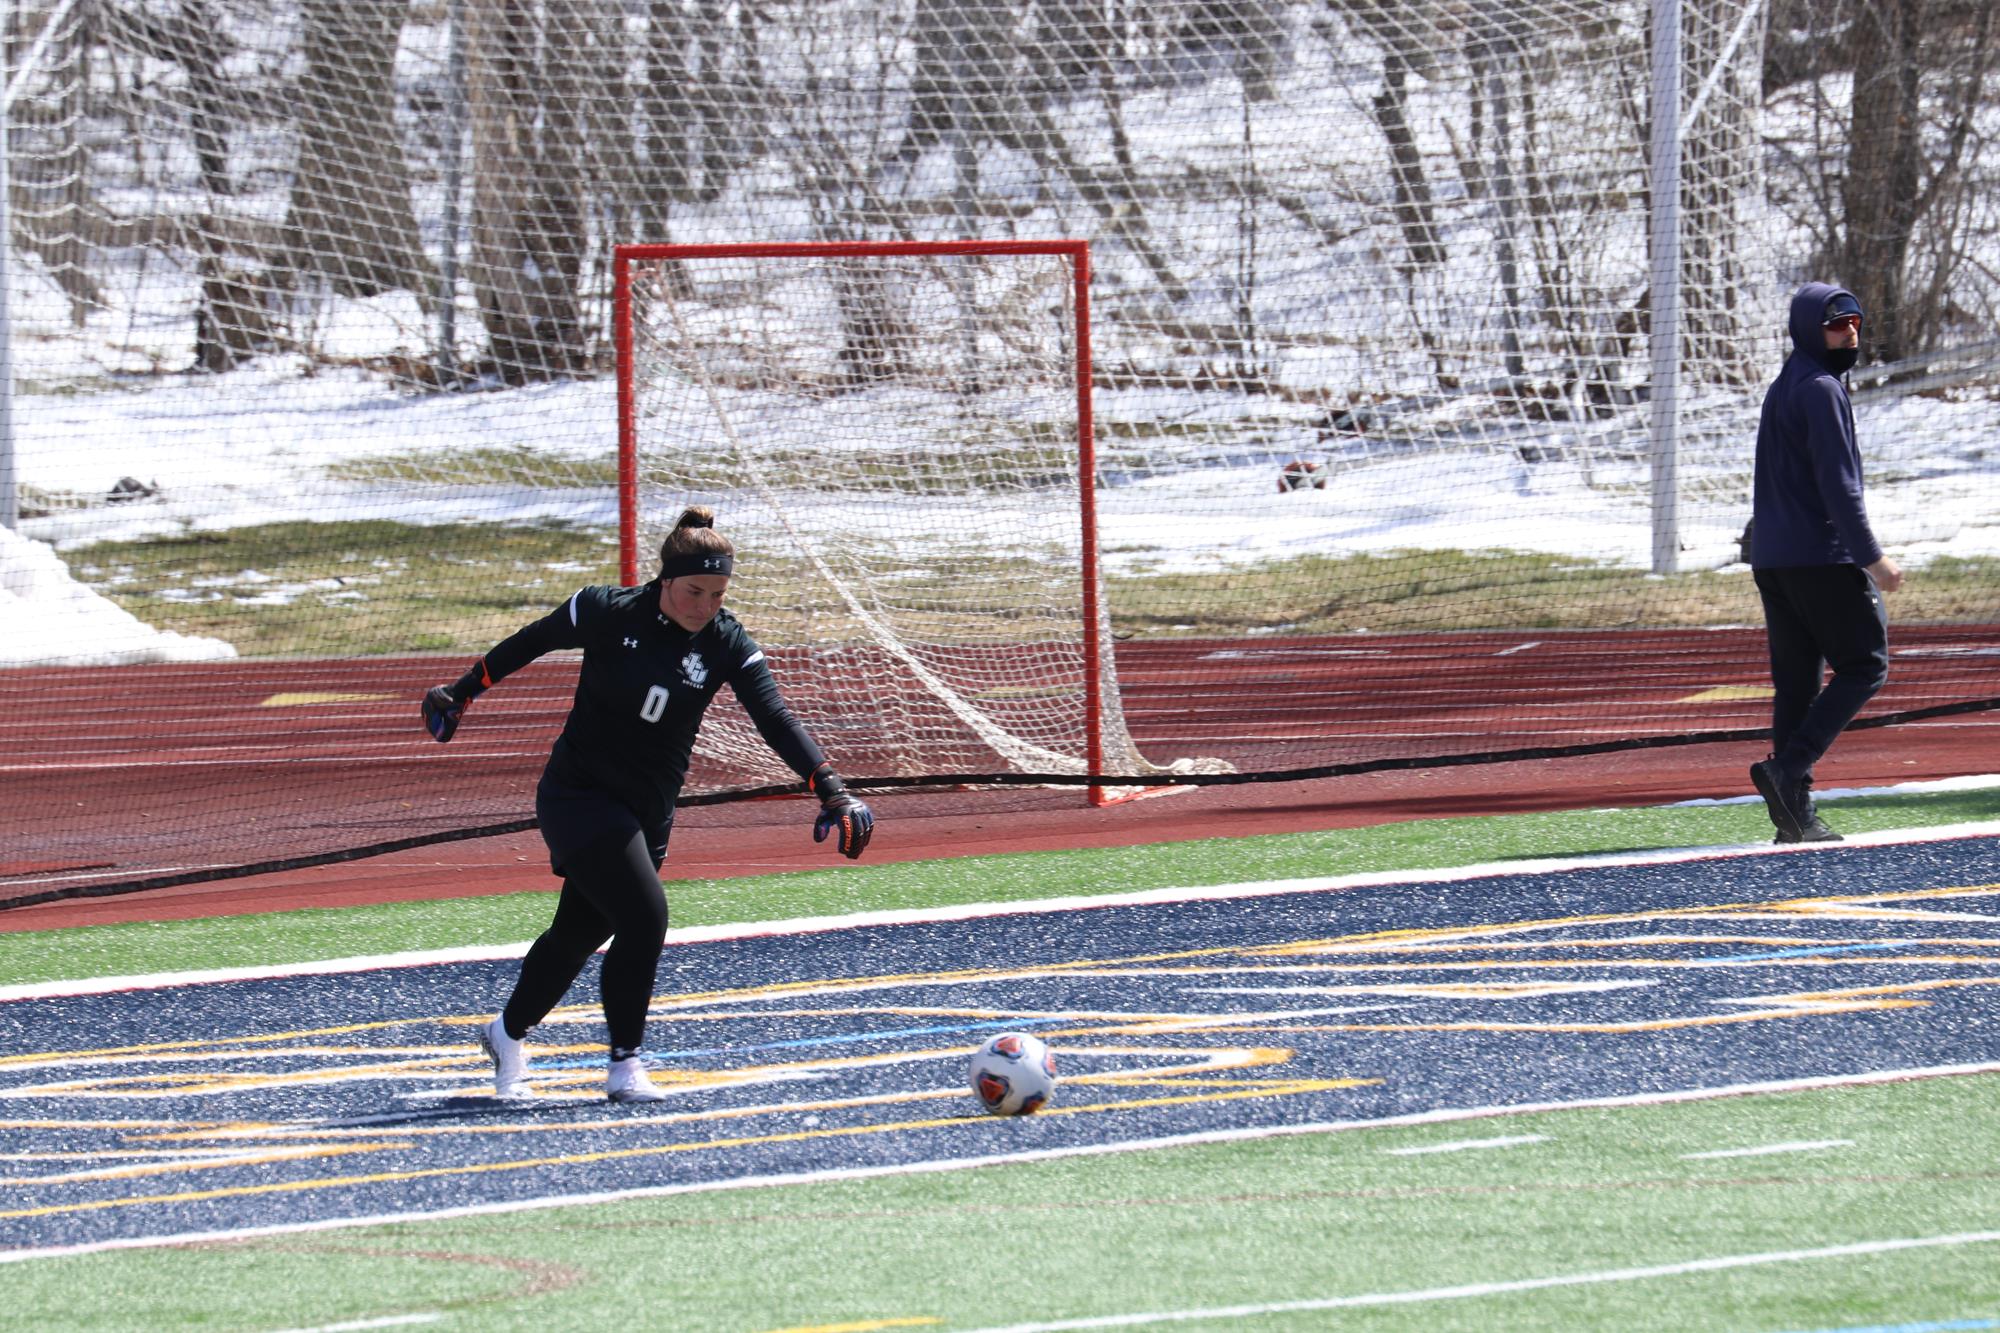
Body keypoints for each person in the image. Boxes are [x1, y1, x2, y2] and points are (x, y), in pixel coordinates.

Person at [420, 507, 874, 1103]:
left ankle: (506, 1033)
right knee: (645, 917)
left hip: (648, 810)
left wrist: (831, 788)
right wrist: (461, 692)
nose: (704, 604)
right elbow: (534, 640)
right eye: (693, 591)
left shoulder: (726, 642)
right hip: (577, 795)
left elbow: (775, 719)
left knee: (578, 933)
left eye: (716, 593)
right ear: (666, 581)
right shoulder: (607, 610)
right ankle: (625, 1064)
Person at [1747, 282, 1904, 844]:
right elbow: (1839, 487)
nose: (1850, 331)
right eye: (1837, 323)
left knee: (1797, 683)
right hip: (1819, 556)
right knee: (1866, 666)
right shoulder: (1820, 390)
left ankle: (1794, 814)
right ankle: (1789, 771)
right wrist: (1873, 558)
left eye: (1856, 321)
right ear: (1811, 329)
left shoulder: (1786, 386)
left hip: (1775, 560)